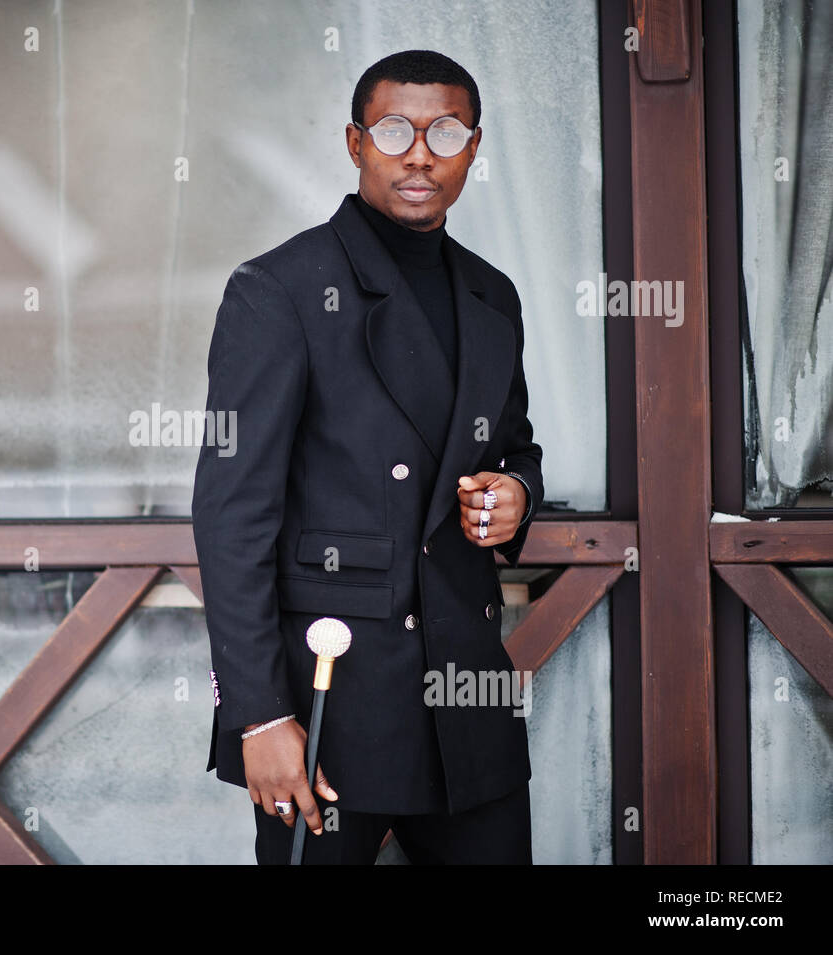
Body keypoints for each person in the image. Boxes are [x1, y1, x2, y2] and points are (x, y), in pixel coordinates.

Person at [192, 49, 544, 864]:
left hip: (468, 695)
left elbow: (513, 444)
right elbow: (231, 515)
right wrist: (259, 717)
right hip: (328, 707)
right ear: (355, 144)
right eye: (394, 129)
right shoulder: (278, 289)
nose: (420, 151)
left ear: (474, 148)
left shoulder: (495, 295)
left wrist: (517, 491)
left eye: (445, 131)